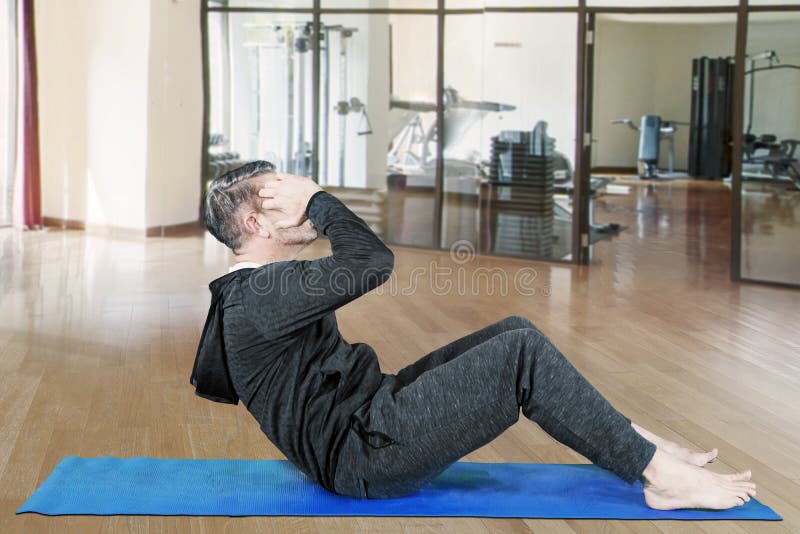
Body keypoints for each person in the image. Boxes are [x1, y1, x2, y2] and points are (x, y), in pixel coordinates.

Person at [191, 161, 756, 510]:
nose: (296, 201)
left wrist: (312, 203)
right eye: (279, 198)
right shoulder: (261, 294)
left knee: (514, 332)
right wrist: (318, 200)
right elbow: (371, 262)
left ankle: (636, 442)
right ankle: (659, 477)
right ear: (256, 225)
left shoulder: (260, 286)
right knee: (520, 356)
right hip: (364, 455)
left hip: (371, 415)